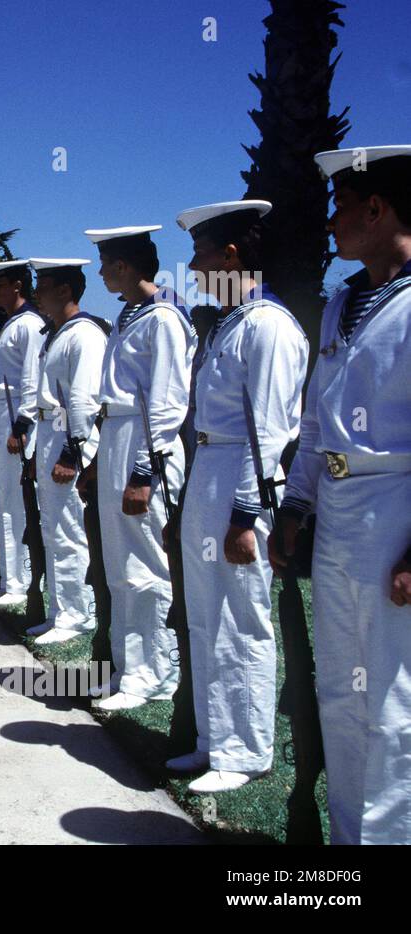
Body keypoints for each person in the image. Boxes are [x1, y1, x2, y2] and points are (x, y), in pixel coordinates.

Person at [272, 145, 411, 843]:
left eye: (341, 209)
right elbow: (315, 419)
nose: (332, 225)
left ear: (379, 209)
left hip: (396, 511)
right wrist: (296, 505)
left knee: (393, 700)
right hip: (337, 511)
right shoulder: (340, 305)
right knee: (341, 690)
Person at [172, 199, 308, 794]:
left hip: (240, 477)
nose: (194, 265)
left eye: (201, 253)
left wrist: (246, 514)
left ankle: (246, 750)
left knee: (242, 617)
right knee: (206, 612)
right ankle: (213, 738)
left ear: (230, 255)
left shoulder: (270, 326)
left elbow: (272, 432)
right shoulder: (229, 322)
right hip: (210, 464)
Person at [87, 225, 192, 708]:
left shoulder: (163, 318)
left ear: (125, 266)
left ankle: (155, 672)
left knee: (147, 562)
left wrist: (146, 472)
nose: (103, 271)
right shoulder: (131, 313)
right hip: (117, 435)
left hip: (145, 441)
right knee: (119, 563)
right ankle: (132, 669)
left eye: (107, 262)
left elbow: (169, 404)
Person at [25, 258, 106, 645]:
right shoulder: (55, 333)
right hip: (47, 433)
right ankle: (60, 609)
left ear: (65, 291)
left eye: (43, 287)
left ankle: (77, 612)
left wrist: (72, 453)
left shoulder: (84, 334)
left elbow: (84, 398)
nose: (37, 295)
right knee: (51, 528)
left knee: (69, 530)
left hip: (65, 437)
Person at [0, 260, 45, 609]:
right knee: (3, 500)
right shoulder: (9, 325)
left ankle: (25, 581)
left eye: (0, 284)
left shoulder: (29, 324)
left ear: (18, 285)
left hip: (17, 413)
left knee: (19, 504)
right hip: (1, 411)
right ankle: (10, 580)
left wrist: (22, 425)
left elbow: (32, 380)